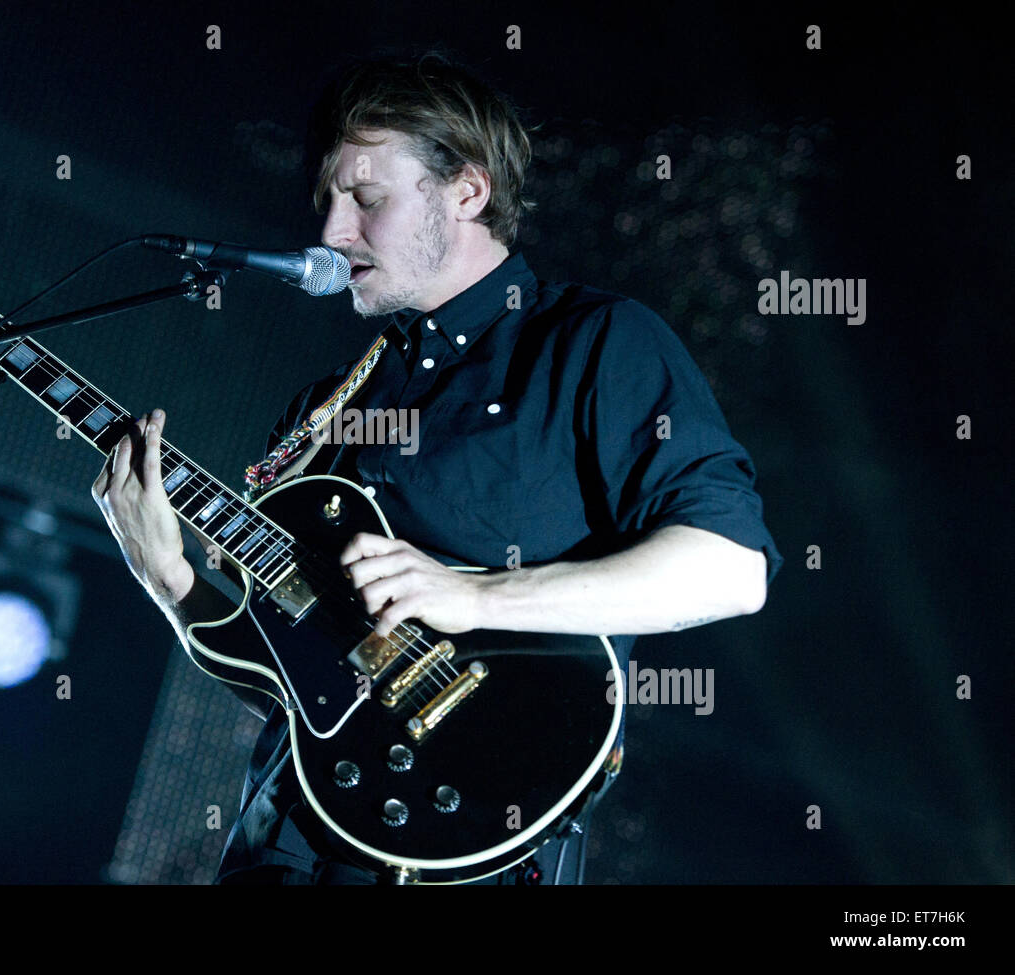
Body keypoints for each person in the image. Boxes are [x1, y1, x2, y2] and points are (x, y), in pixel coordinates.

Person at [92, 52, 782, 884]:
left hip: (478, 853)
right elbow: (301, 684)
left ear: (467, 191)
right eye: (329, 201)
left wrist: (474, 595)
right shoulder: (325, 410)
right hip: (280, 845)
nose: (331, 233)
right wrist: (168, 577)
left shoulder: (594, 343)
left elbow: (731, 567)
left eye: (367, 198)